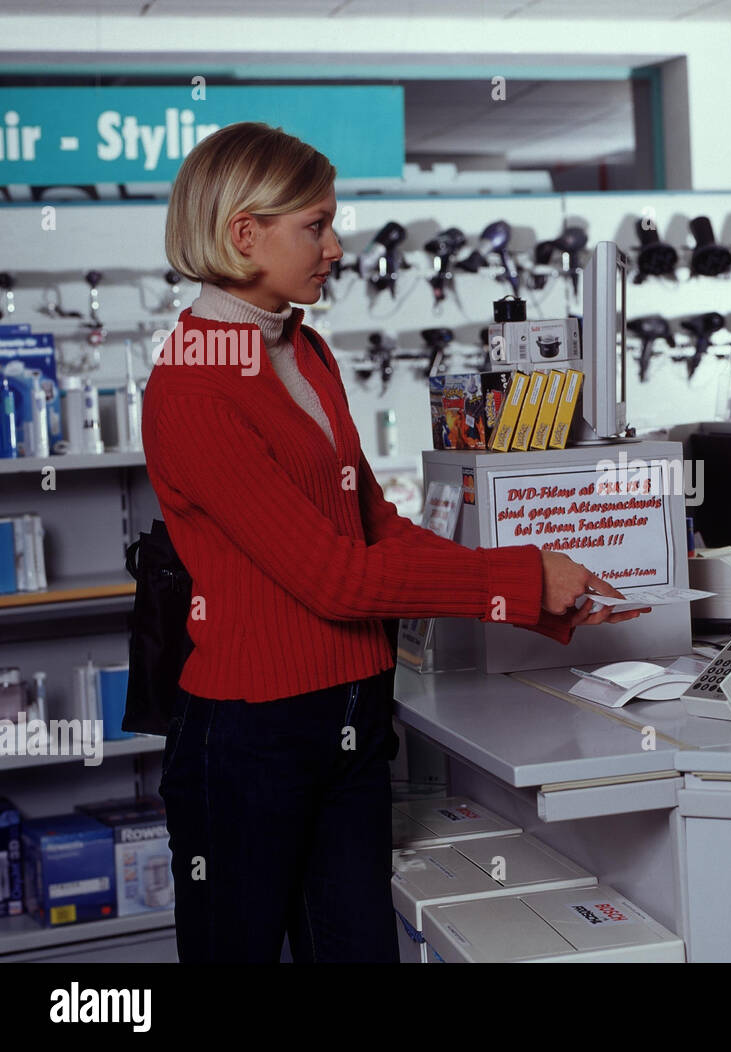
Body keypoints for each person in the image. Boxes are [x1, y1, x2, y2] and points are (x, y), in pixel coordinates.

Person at [144, 121, 648, 963]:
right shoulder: (193, 386)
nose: (337, 247)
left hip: (351, 712)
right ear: (243, 234)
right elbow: (331, 579)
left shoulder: (304, 351)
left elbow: (373, 524)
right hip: (249, 737)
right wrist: (521, 582)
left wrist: (540, 592)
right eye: (315, 226)